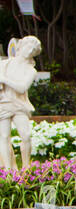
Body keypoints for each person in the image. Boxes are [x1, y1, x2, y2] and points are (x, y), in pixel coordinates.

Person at [0, 35, 41, 173]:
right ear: (21, 46)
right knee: (4, 136)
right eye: (28, 47)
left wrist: (4, 80)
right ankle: (8, 170)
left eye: (33, 49)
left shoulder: (31, 70)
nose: (30, 51)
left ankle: (26, 168)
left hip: (19, 105)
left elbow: (22, 88)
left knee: (26, 135)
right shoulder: (4, 64)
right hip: (3, 103)